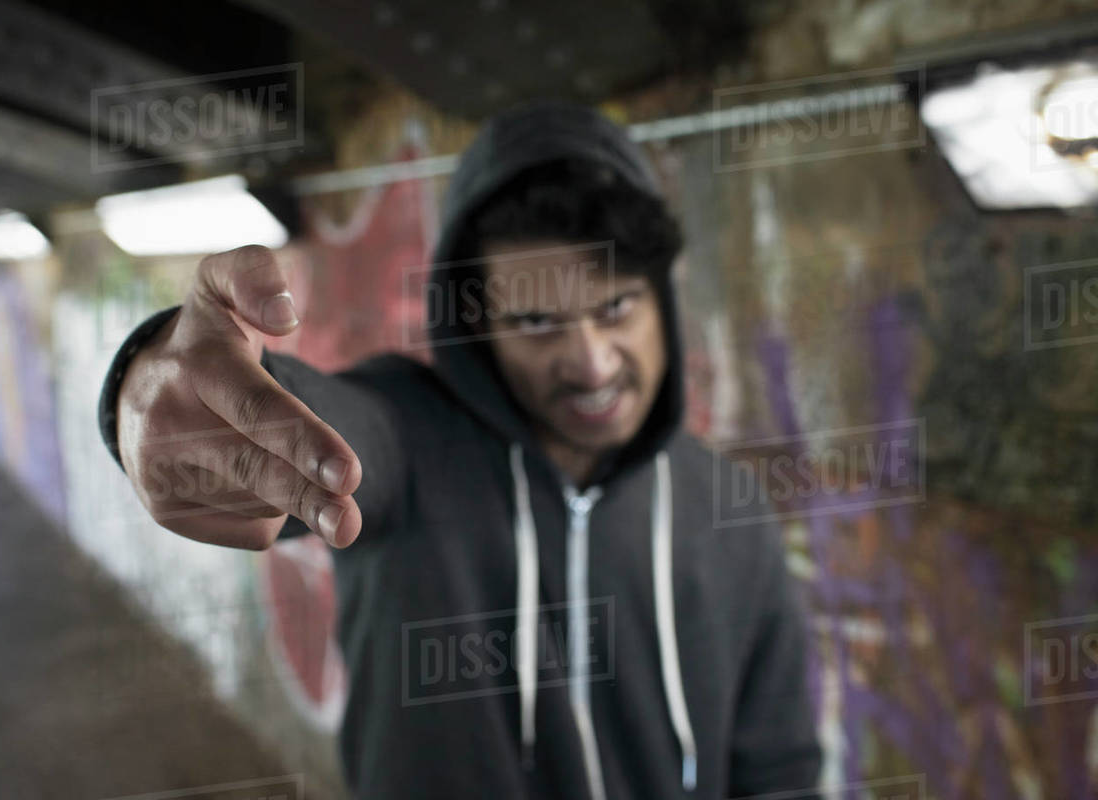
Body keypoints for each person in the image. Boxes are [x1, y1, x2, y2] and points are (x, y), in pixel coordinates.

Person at [98, 102, 822, 799]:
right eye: (537, 320)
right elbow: (332, 431)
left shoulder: (732, 513)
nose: (593, 363)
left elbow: (780, 773)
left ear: (661, 297)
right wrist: (171, 385)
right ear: (478, 326)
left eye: (616, 308)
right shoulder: (410, 442)